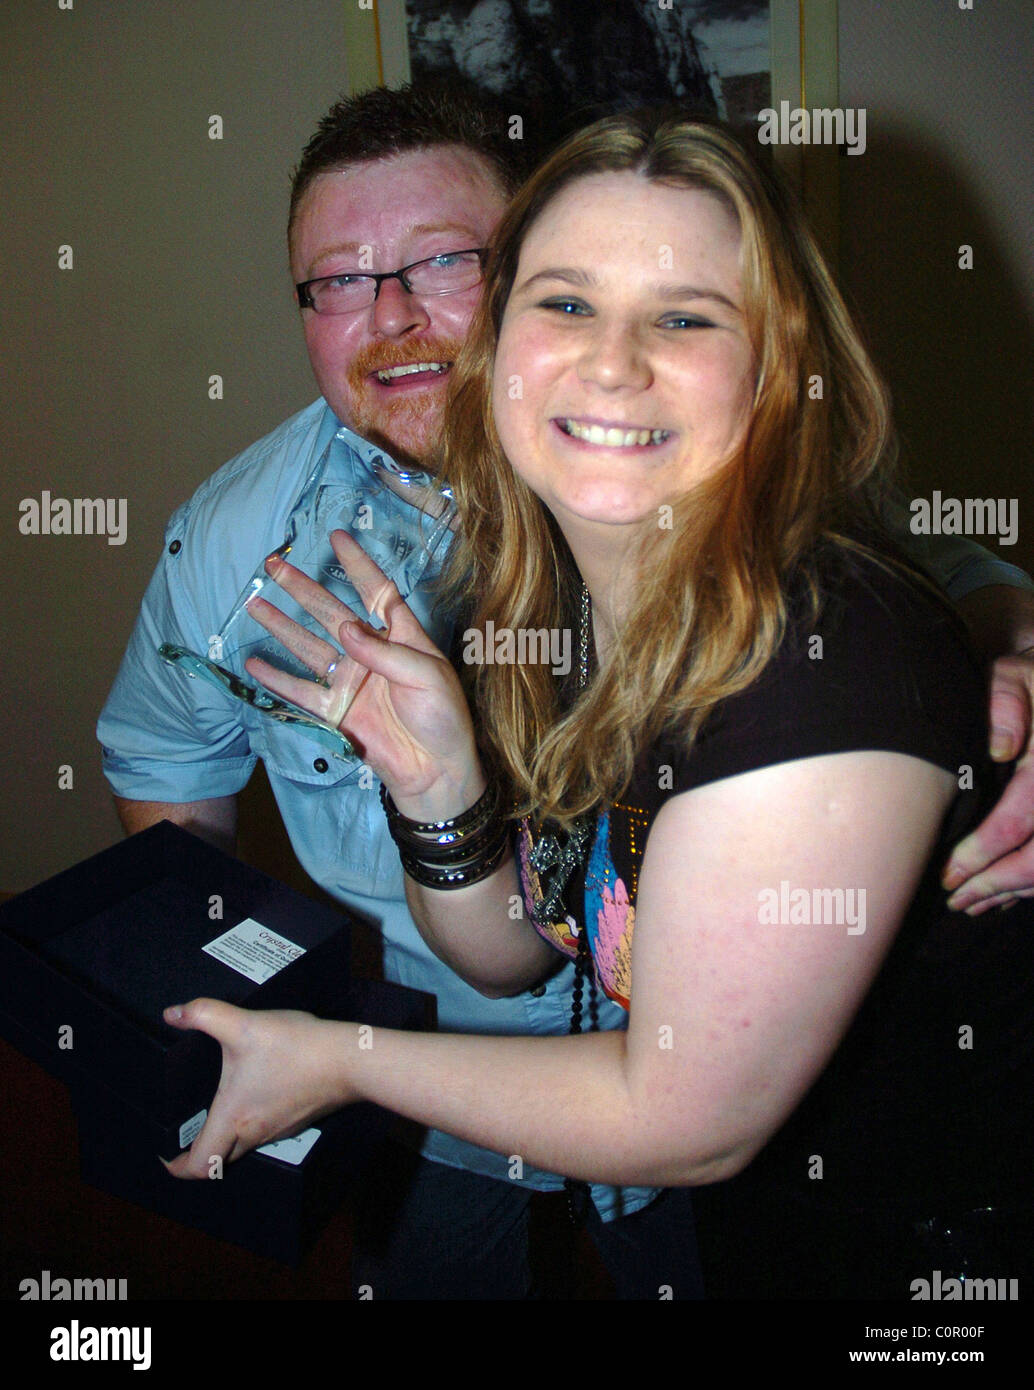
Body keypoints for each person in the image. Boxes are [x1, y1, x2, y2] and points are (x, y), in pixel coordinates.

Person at [103, 86, 1033, 1297]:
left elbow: (687, 1111)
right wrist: (434, 791)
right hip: (479, 1110)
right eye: (338, 280)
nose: (389, 315)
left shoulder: (797, 619)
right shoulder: (542, 583)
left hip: (892, 1233)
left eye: (443, 260)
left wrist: (1006, 627)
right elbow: (508, 940)